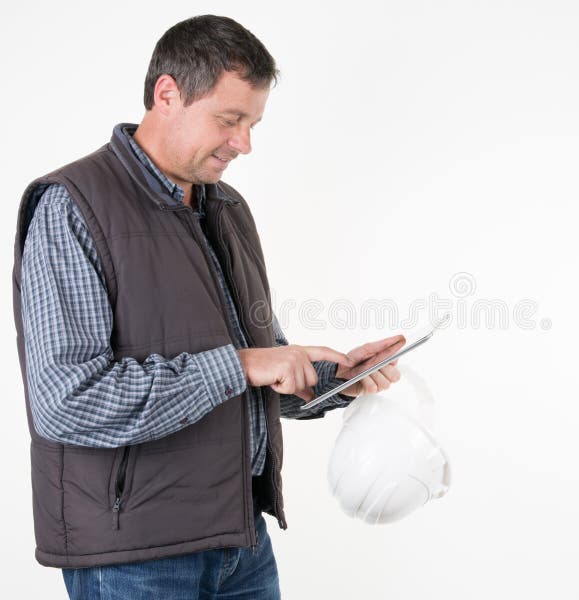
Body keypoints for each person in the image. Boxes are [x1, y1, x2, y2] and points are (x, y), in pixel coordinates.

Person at [11, 14, 404, 599]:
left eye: (252, 123)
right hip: (135, 559)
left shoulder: (227, 208)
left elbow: (251, 376)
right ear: (167, 94)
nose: (244, 143)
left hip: (240, 544)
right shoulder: (72, 207)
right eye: (230, 120)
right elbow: (66, 403)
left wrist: (333, 379)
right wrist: (244, 364)